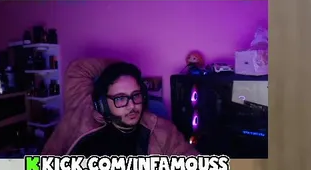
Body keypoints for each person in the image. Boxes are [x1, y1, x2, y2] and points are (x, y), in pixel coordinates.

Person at [41, 59, 196, 157]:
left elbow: (194, 167)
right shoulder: (81, 108)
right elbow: (79, 68)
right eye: (120, 98)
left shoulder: (163, 131)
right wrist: (120, 69)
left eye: (136, 95)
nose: (132, 105)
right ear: (103, 103)